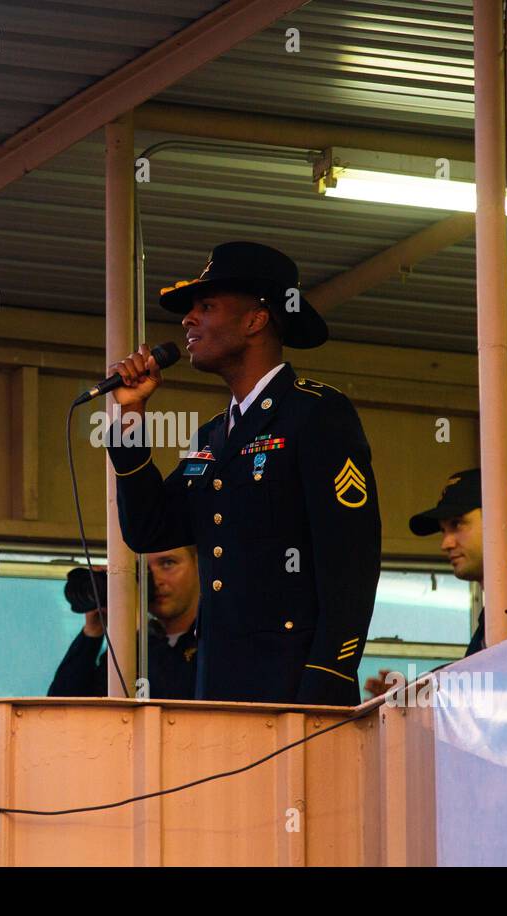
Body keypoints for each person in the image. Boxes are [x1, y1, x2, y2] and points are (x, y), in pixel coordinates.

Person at [104, 241, 382, 706]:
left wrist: (329, 676)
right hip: (218, 691)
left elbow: (351, 560)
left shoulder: (316, 413)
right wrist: (131, 415)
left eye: (206, 306)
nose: (188, 320)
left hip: (296, 689)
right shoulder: (213, 436)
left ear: (256, 320)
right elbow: (149, 528)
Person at [47, 547, 200, 699]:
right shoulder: (128, 648)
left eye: (167, 564)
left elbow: (174, 698)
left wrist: (136, 624)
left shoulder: (210, 641)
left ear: (199, 566)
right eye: (140, 569)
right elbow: (61, 707)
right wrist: (92, 634)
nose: (154, 580)